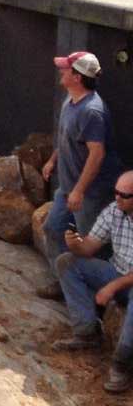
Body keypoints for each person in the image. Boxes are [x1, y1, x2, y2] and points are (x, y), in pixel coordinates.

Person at [39, 50, 119, 302]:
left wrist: (80, 191)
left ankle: (93, 304)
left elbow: (97, 154)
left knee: (88, 247)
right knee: (53, 228)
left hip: (90, 192)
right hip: (69, 186)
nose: (61, 72)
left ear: (77, 76)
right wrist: (53, 160)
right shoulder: (70, 101)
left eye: (66, 69)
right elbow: (66, 137)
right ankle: (63, 282)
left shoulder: (92, 112)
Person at [57, 168, 133, 391]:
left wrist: (112, 286)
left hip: (125, 281)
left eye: (124, 195)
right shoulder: (114, 211)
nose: (117, 198)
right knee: (67, 262)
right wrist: (75, 244)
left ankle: (122, 363)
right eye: (116, 192)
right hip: (116, 271)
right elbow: (90, 246)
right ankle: (86, 333)